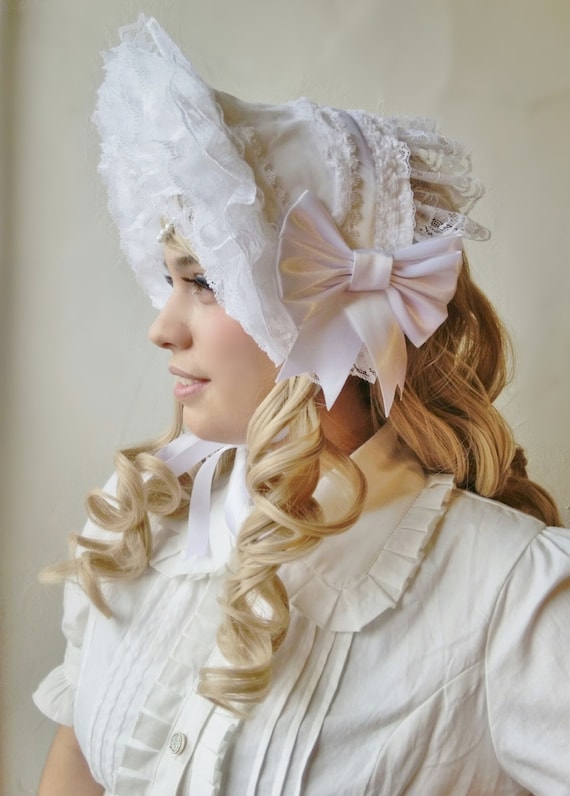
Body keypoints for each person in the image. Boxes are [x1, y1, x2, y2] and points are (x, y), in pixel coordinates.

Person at [34, 14, 569, 796]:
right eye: (170, 280)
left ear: (325, 310)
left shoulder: (505, 597)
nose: (161, 327)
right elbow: (75, 766)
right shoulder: (145, 516)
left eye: (205, 283)